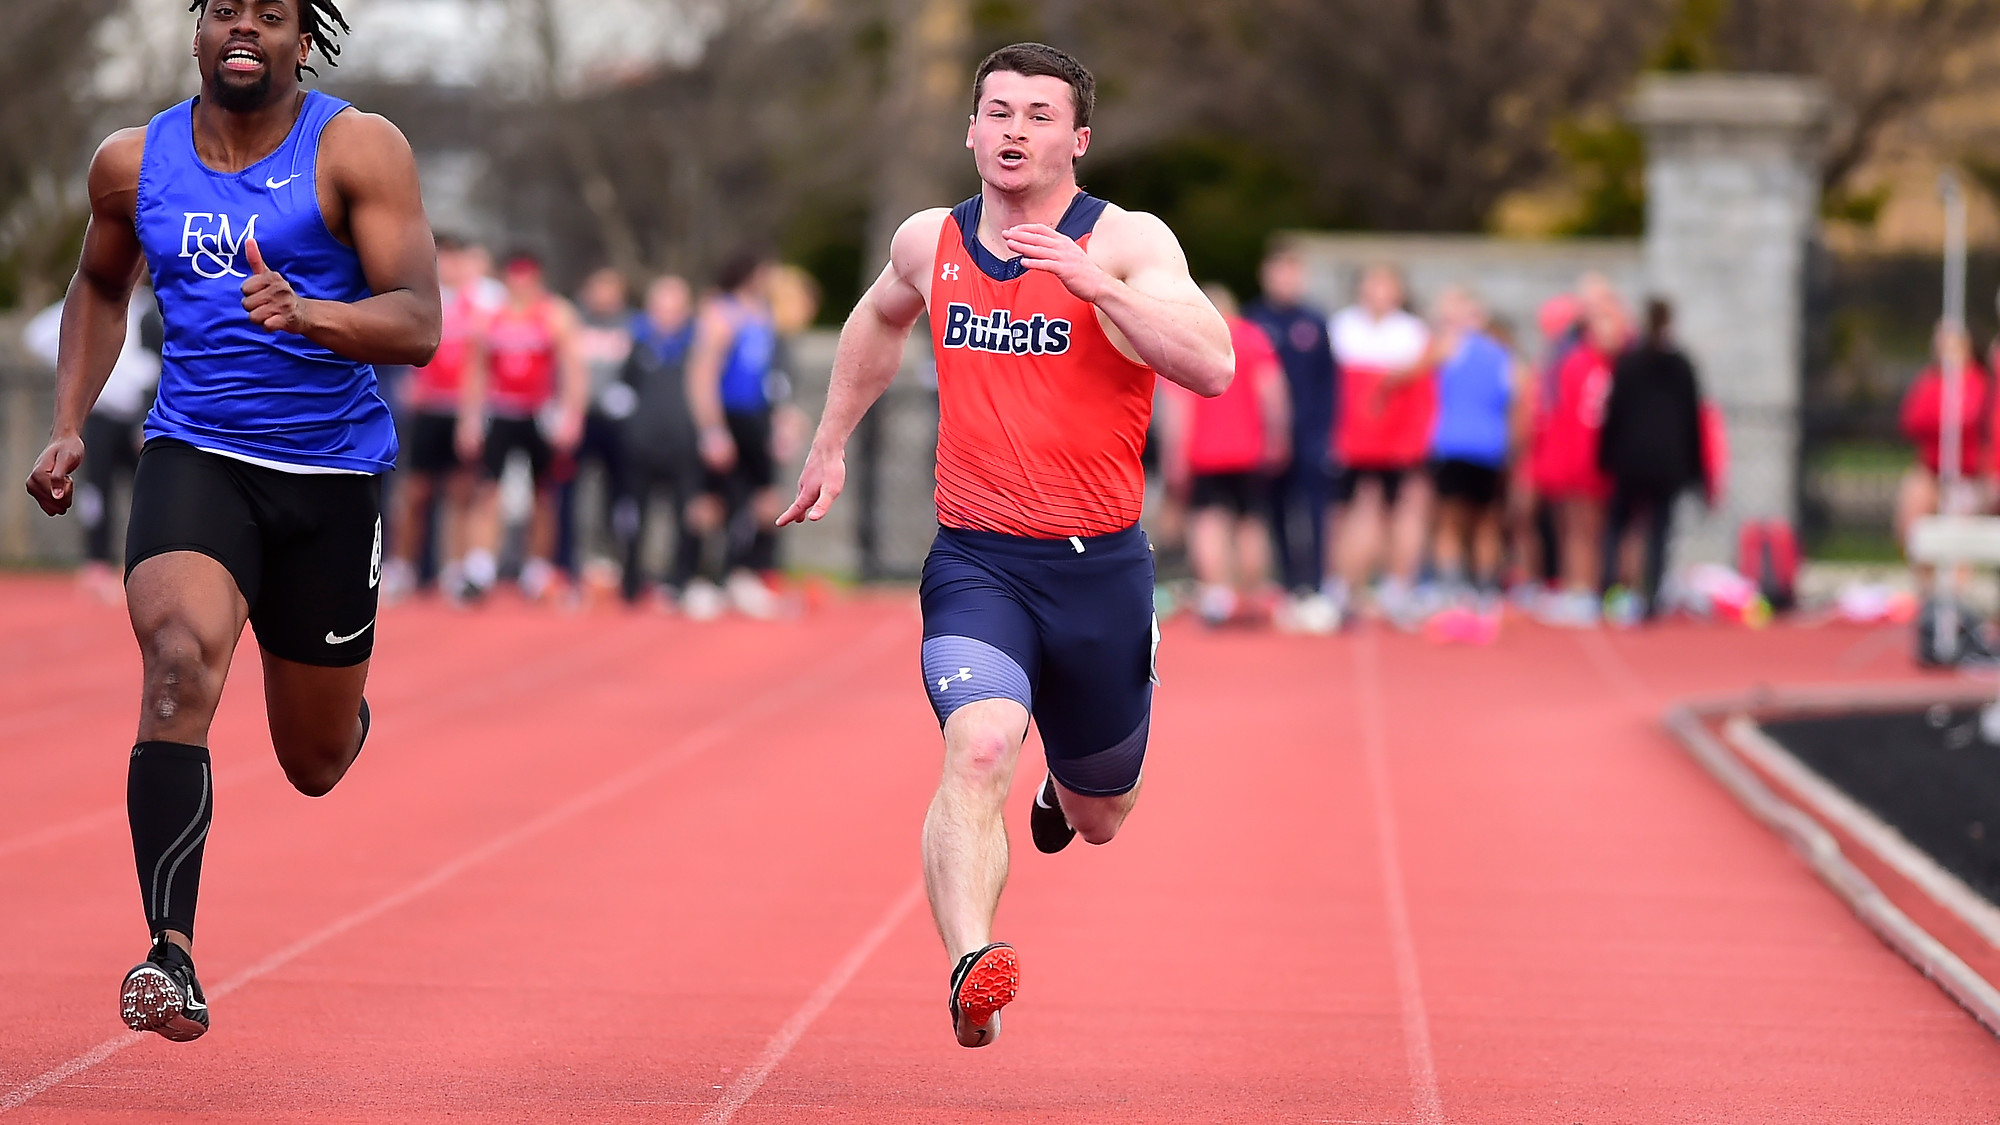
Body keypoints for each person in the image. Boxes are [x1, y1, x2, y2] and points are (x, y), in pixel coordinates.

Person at [778, 43, 1233, 1047]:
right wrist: (828, 442)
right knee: (975, 744)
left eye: (1038, 113)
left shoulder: (1125, 240)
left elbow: (1212, 364)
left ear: (1075, 139)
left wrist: (1096, 288)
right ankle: (971, 962)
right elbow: (874, 319)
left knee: (1102, 810)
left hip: (1099, 568)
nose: (1015, 129)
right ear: (971, 130)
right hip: (978, 560)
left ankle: (1061, 794)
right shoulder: (926, 239)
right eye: (997, 110)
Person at [23, 0, 439, 1042]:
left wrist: (313, 314)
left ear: (305, 40)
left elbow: (420, 322)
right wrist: (70, 423)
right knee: (176, 661)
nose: (243, 27)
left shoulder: (357, 150)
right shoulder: (130, 163)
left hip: (330, 475)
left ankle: (341, 716)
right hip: (195, 454)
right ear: (198, 33)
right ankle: (171, 952)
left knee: (314, 763)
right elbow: (99, 285)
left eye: (271, 14)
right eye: (224, 11)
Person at [455, 252, 587, 602]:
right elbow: (476, 369)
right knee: (487, 490)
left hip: (538, 412)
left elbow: (574, 368)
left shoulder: (555, 314)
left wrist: (571, 416)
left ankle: (537, 568)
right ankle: (480, 567)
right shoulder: (491, 317)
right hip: (501, 410)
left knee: (542, 492)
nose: (520, 285)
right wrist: (469, 419)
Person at [1158, 284, 1289, 626]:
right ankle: (1253, 593)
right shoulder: (1252, 337)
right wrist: (1277, 436)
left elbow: (1178, 406)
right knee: (1251, 521)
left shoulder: (1186, 338)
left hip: (1204, 451)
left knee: (1207, 522)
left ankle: (1217, 596)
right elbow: (1271, 391)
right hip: (1248, 449)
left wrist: (1175, 455)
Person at [24, 286, 162, 603]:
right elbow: (37, 335)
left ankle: (149, 562)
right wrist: (73, 366)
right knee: (95, 492)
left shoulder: (148, 309)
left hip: (138, 417)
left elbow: (157, 360)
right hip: (99, 417)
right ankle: (96, 564)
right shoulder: (89, 300)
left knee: (149, 488)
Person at [381, 234, 494, 600]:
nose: (450, 267)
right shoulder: (424, 301)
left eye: (455, 260)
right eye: (442, 260)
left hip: (459, 408)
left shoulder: (480, 305)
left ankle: (455, 568)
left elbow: (484, 361)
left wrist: (474, 411)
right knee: (414, 492)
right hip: (427, 408)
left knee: (461, 491)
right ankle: (402, 566)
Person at [1330, 264, 1434, 625]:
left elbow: (1424, 392)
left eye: (1386, 285)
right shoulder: (1342, 328)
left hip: (1398, 442)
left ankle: (1398, 587)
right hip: (1353, 441)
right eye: (1372, 284)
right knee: (1353, 512)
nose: (1378, 292)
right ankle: (1347, 585)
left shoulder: (1413, 333)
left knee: (1402, 511)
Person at [1244, 246, 1338, 633]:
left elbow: (1330, 384)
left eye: (1292, 273)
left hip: (1311, 435)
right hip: (1265, 439)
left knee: (1314, 511)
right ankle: (1286, 583)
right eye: (1278, 273)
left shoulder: (1314, 322)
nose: (1285, 281)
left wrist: (1329, 435)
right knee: (1275, 511)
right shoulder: (1254, 319)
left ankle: (1315, 584)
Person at [686, 254, 785, 618]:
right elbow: (702, 375)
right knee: (711, 502)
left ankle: (746, 575)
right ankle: (700, 579)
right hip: (726, 415)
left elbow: (770, 376)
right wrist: (712, 430)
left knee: (766, 500)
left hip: (755, 418)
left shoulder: (764, 313)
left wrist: (778, 421)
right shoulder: (719, 313)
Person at [1597, 297, 1706, 621]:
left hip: (1631, 459)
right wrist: (1693, 468)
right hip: (1667, 462)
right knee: (1659, 531)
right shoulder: (1681, 365)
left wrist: (1605, 456)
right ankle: (1653, 596)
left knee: (1619, 526)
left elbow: (1613, 414)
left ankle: (1609, 588)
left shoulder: (1629, 363)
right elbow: (1692, 419)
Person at [1529, 288, 1627, 626]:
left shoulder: (1620, 364)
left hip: (1604, 463)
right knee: (1574, 528)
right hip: (1577, 462)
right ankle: (1577, 589)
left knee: (1601, 530)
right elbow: (1562, 418)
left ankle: (1601, 590)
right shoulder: (1575, 363)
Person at [1425, 286, 1520, 607]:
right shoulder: (1504, 355)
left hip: (1453, 445)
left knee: (1450, 522)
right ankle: (1485, 588)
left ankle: (1451, 586)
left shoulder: (1449, 346)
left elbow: (1410, 373)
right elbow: (1517, 400)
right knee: (1486, 521)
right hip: (1490, 447)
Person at [619, 274, 707, 605]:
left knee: (687, 514)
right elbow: (624, 389)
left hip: (683, 444)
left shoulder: (697, 346)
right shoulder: (638, 345)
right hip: (642, 445)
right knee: (634, 515)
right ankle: (630, 582)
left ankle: (681, 579)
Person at [556, 266, 639, 594]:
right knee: (568, 494)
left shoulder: (633, 325)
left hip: (617, 423)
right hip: (580, 418)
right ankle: (565, 564)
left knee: (618, 495)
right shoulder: (573, 321)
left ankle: (616, 562)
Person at [1897, 320, 1995, 568]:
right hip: (1932, 471)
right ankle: (1923, 583)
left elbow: (1972, 419)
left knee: (1958, 527)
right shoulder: (1931, 381)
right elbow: (1912, 420)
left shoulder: (1979, 381)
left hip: (1968, 475)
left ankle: (1956, 589)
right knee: (1914, 502)